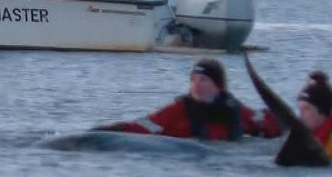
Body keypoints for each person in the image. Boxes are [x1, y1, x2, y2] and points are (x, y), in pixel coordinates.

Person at [95, 58, 278, 141]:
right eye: (193, 80)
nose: (196, 85)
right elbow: (144, 126)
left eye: (203, 80)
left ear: (218, 86)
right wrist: (107, 131)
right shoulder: (178, 110)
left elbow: (264, 121)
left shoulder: (233, 109)